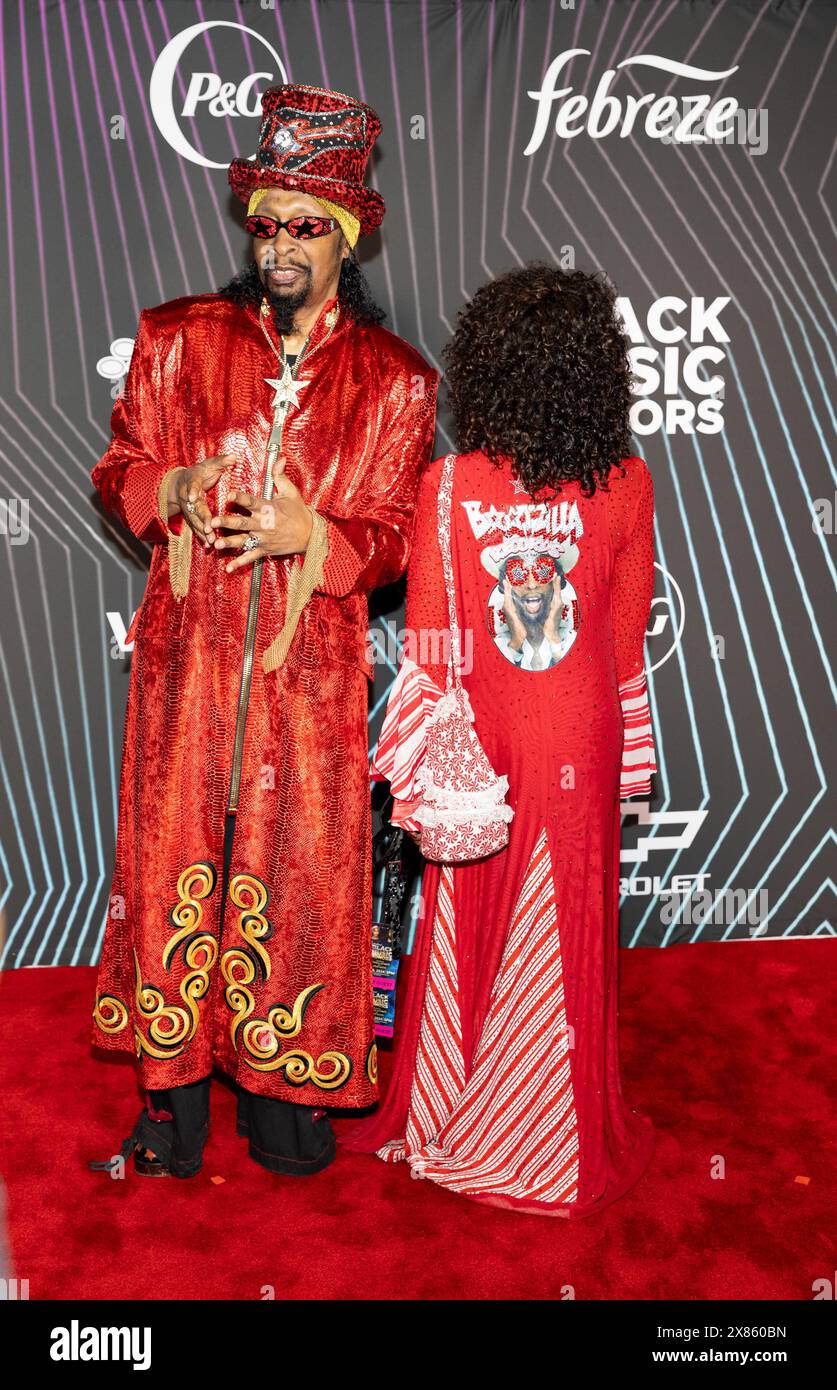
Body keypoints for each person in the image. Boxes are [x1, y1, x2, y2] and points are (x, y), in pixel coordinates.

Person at [88, 83, 439, 1179]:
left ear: (345, 235)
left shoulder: (396, 384)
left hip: (308, 686)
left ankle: (288, 1092)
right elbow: (117, 470)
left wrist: (313, 531)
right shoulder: (177, 341)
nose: (279, 245)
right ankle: (171, 1106)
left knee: (298, 876)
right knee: (177, 860)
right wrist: (175, 484)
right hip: (188, 675)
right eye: (265, 222)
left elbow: (392, 541)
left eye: (305, 226)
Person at [339, 264, 657, 1217]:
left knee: (466, 918)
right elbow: (620, 638)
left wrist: (435, 759)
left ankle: (449, 1107)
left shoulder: (446, 487)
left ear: (488, 369)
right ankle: (552, 1138)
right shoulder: (630, 482)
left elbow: (431, 643)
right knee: (568, 923)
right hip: (582, 731)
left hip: (480, 744)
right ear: (599, 371)